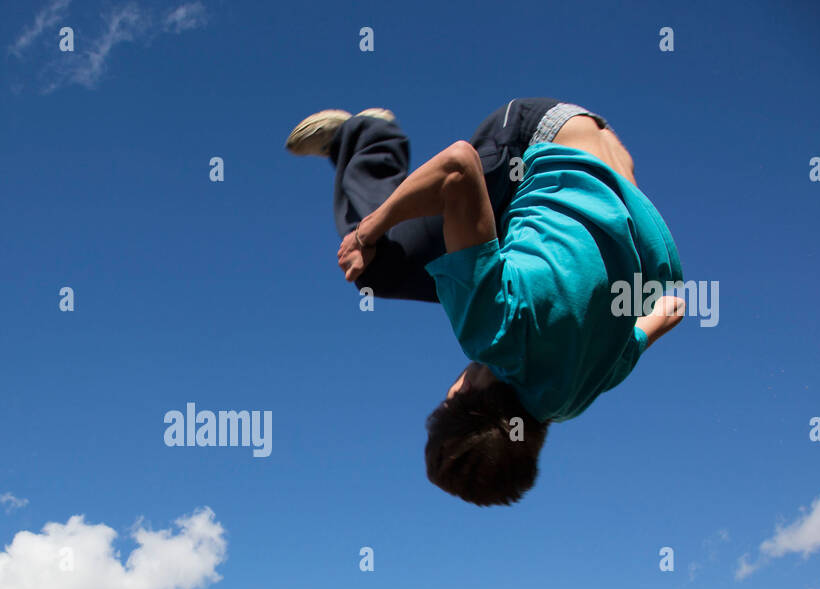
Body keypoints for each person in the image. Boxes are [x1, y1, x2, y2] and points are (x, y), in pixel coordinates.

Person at [285, 101, 685, 505]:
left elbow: (670, 311)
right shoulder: (491, 334)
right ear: (459, 396)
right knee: (380, 266)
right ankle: (365, 135)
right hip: (540, 136)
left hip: (617, 169)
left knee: (462, 272)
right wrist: (367, 233)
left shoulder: (573, 398)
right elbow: (458, 166)